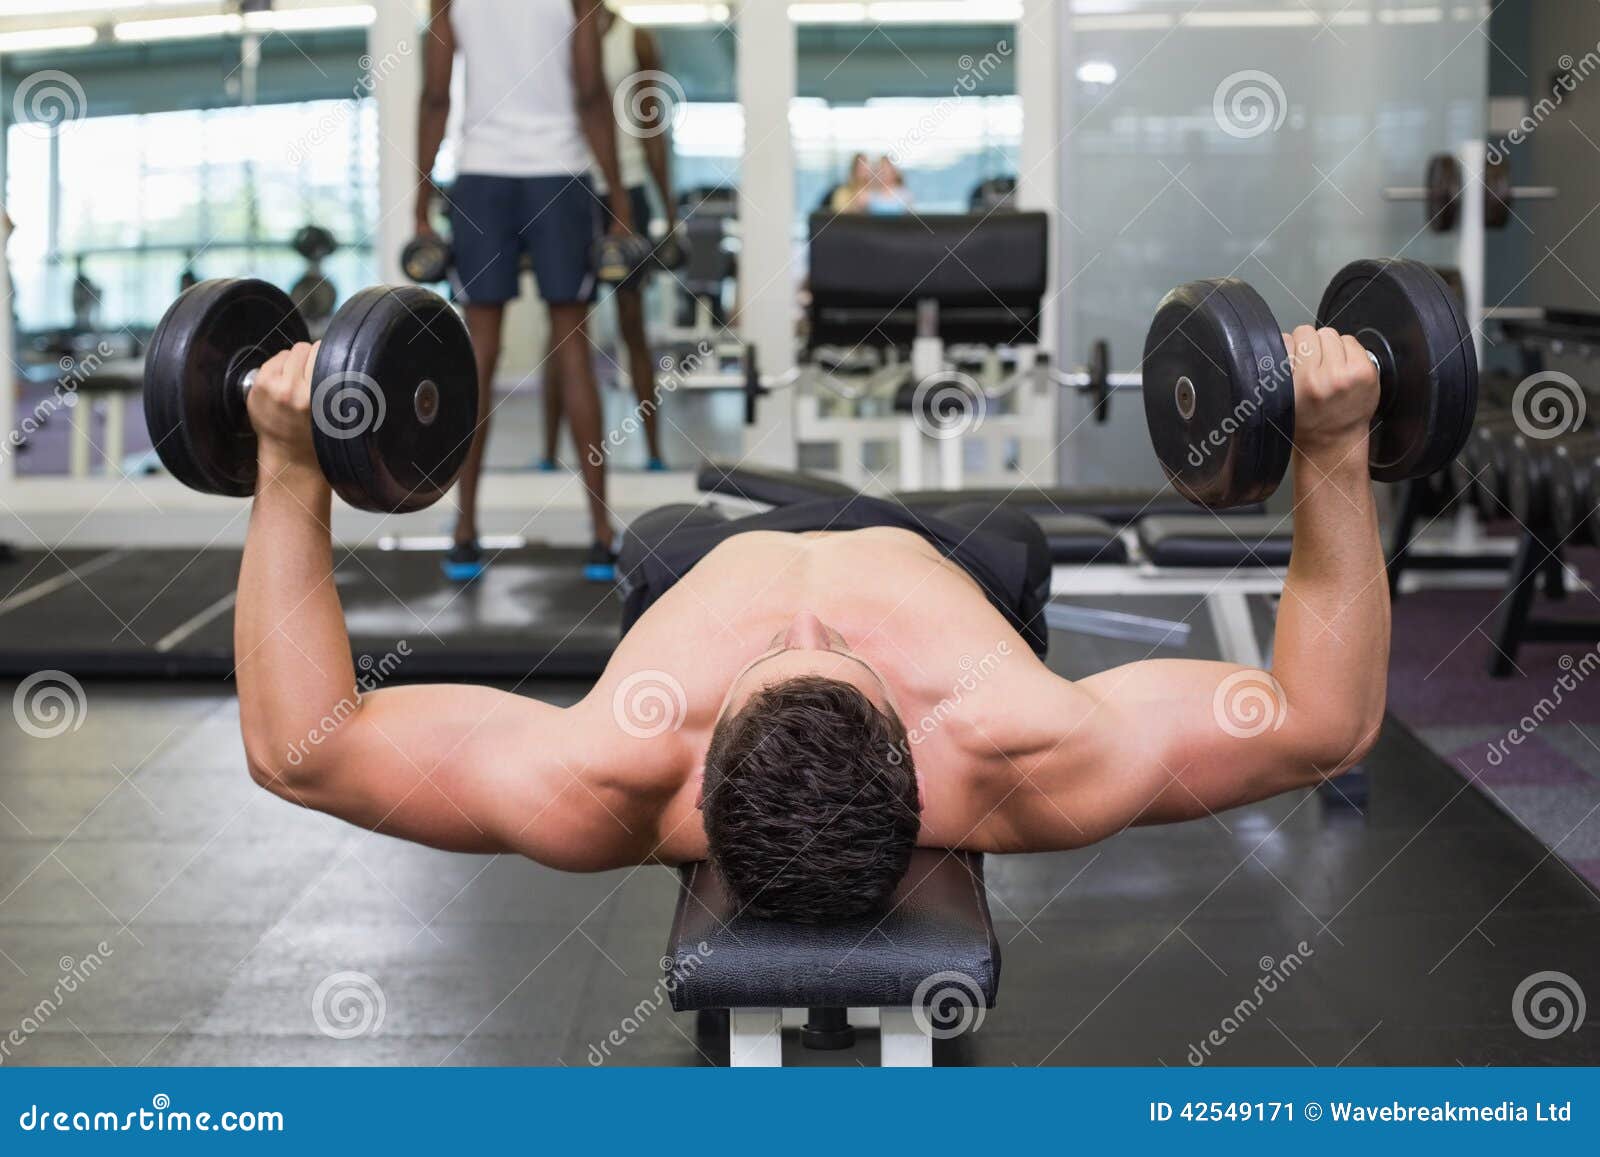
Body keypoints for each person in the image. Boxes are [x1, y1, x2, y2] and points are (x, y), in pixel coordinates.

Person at [237, 324, 1385, 924]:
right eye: (835, 663)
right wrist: (1335, 448)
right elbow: (1320, 722)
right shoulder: (1019, 743)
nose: (811, 631)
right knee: (1008, 545)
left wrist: (290, 466)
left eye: (785, 663)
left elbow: (303, 749)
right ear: (916, 765)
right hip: (954, 562)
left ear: (698, 774)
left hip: (697, 562)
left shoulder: (613, 769)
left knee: (658, 540)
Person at [414, 0, 637, 583]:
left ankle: (464, 533)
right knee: (574, 352)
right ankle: (601, 536)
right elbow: (590, 93)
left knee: (478, 356)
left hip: (482, 179)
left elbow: (436, 97)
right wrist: (621, 202)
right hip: (560, 177)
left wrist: (419, 207)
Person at [541, 2, 678, 474]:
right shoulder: (551, 31)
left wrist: (670, 211)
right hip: (568, 188)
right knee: (563, 328)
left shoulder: (635, 39)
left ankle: (654, 450)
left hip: (630, 192)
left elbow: (653, 130)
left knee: (632, 325)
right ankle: (547, 452)